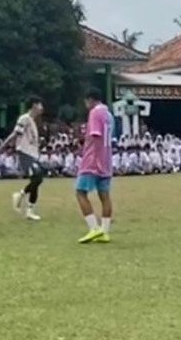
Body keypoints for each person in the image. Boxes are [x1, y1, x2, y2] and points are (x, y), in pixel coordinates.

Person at [75, 88, 115, 244]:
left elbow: (95, 135)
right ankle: (105, 231)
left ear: (90, 100)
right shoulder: (109, 115)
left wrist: (83, 148)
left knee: (80, 192)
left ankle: (93, 228)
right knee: (104, 196)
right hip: (106, 160)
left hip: (93, 159)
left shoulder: (95, 112)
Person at [0, 96, 45, 221]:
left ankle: (28, 207)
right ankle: (20, 195)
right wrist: (3, 146)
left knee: (38, 179)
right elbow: (15, 134)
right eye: (40, 104)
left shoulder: (34, 122)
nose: (42, 108)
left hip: (33, 154)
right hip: (25, 153)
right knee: (38, 176)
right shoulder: (24, 118)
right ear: (34, 105)